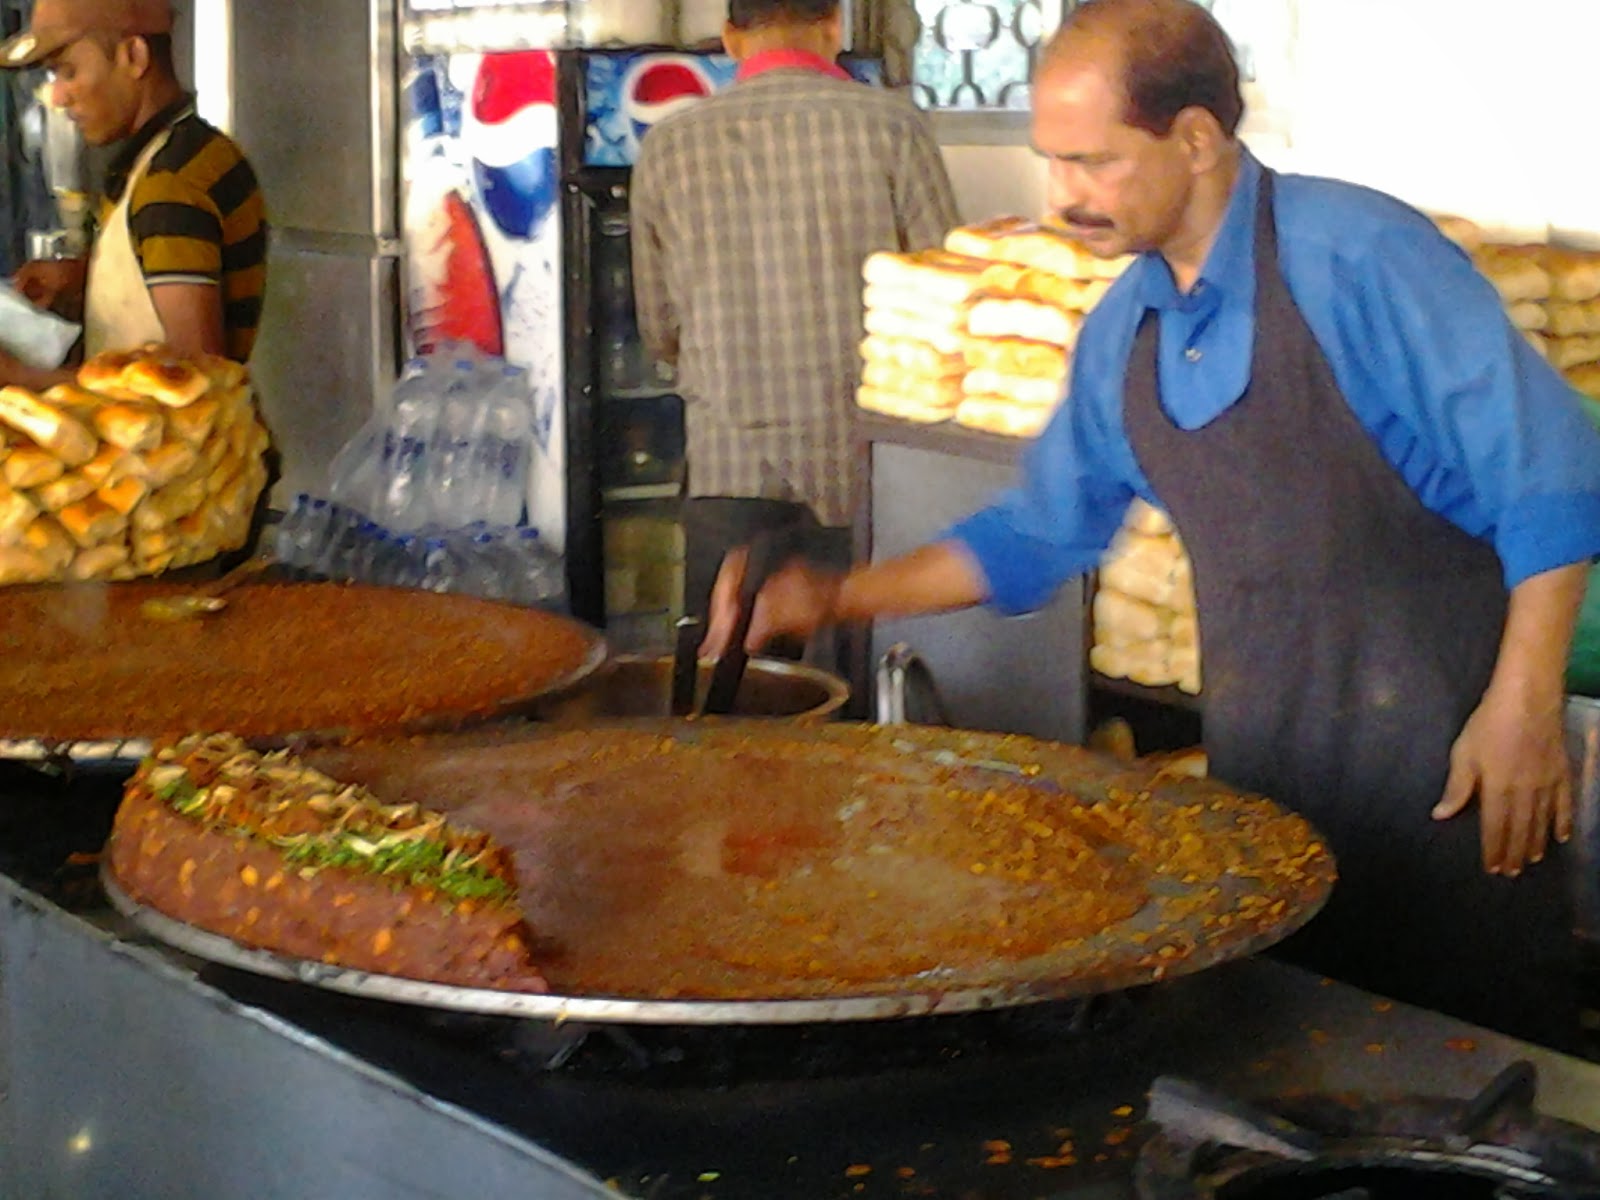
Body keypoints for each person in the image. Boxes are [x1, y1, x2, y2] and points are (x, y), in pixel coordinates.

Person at [703, 0, 1600, 1047]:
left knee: (1463, 1078)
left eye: (1092, 162)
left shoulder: (1357, 258)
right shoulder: (1125, 327)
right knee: (1295, 1074)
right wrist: (835, 593)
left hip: (1454, 772)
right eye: (1052, 161)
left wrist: (1525, 705)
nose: (1062, 195)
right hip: (1271, 789)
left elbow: (1552, 472)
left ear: (1196, 137)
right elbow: (1036, 535)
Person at [630, 0, 960, 630]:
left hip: (730, 464)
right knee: (861, 703)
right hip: (869, 468)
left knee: (727, 695)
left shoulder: (668, 145)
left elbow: (658, 326)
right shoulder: (894, 125)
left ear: (730, 40)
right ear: (834, 26)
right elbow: (945, 301)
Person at [0, 0, 267, 390]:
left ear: (133, 56)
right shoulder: (184, 151)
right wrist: (82, 277)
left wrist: (22, 378)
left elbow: (193, 388)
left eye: (68, 71)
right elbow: (161, 256)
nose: (57, 98)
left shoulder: (171, 185)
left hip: (182, 450)